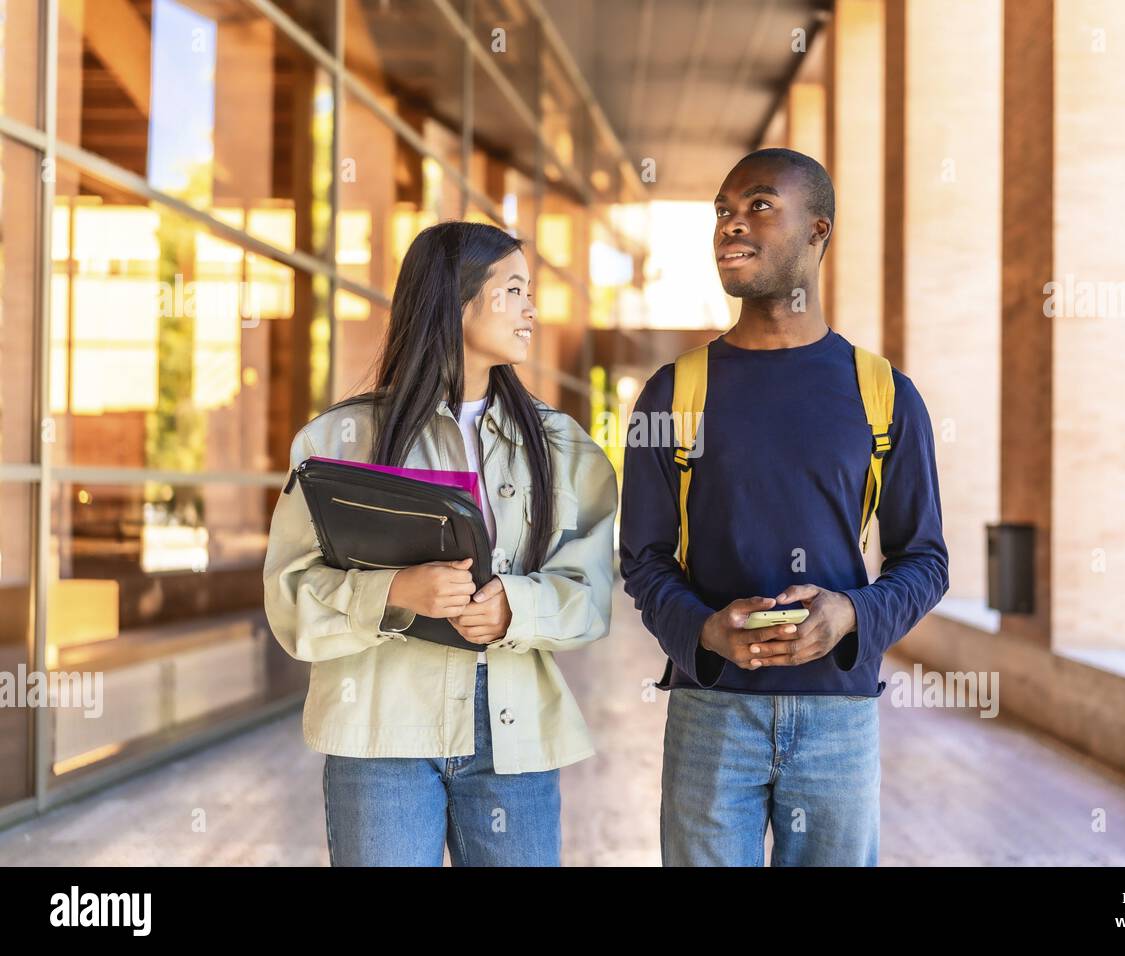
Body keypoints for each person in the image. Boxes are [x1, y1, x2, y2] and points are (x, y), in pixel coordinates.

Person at [619, 147, 950, 866]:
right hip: (712, 715)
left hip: (839, 719)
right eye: (722, 213)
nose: (731, 226)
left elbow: (925, 560)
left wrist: (852, 614)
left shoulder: (884, 393)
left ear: (818, 230)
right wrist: (706, 632)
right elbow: (642, 561)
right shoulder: (673, 393)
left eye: (758, 207)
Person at [263, 221, 618, 866]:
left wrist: (514, 606)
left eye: (530, 290)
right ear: (454, 300)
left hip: (515, 736)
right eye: (512, 290)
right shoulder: (337, 442)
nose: (531, 308)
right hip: (379, 738)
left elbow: (591, 591)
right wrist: (395, 592)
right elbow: (289, 601)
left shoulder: (563, 447)